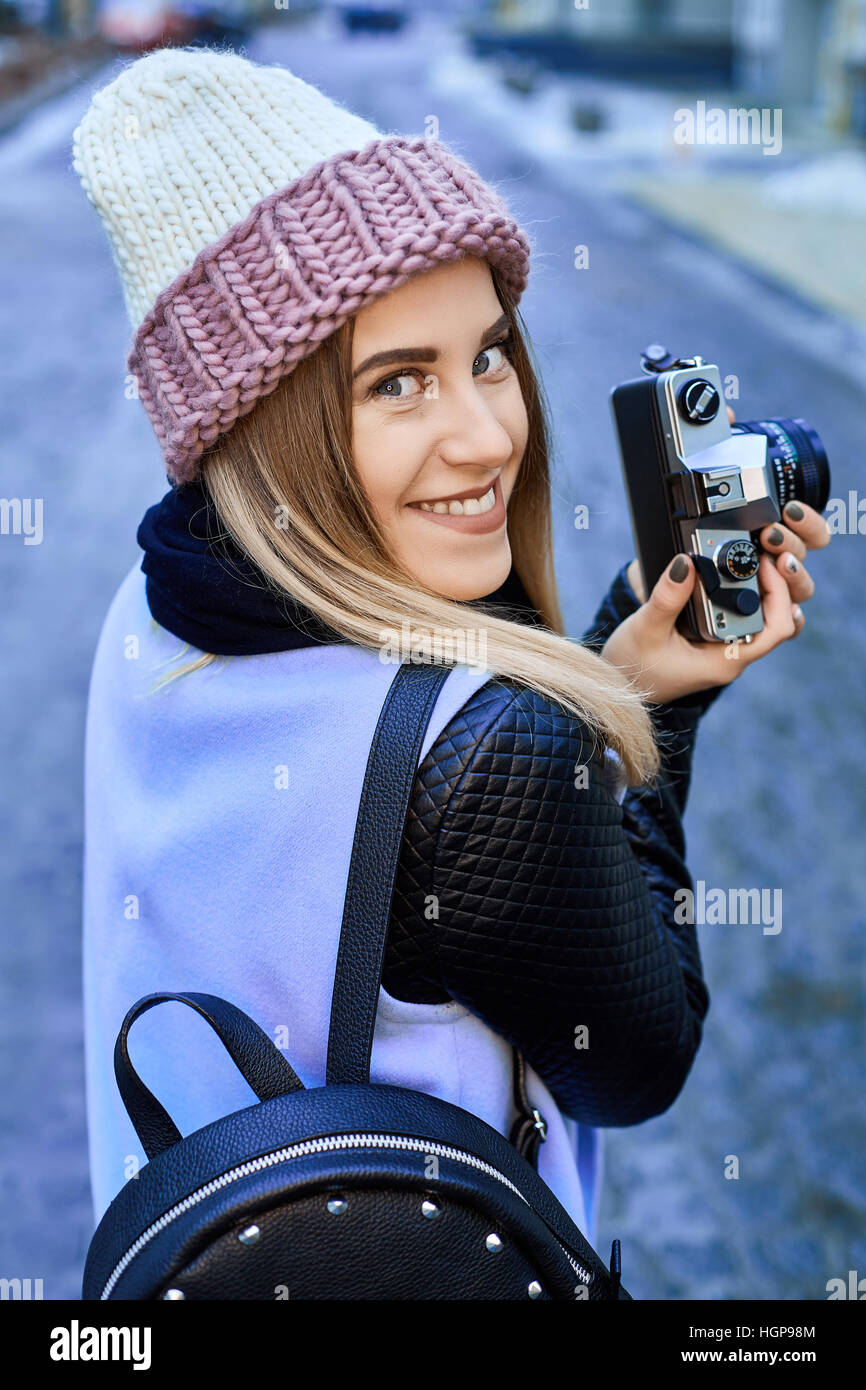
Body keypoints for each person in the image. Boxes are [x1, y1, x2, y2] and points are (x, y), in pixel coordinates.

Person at [73, 46, 830, 1254]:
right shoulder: (488, 756)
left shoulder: (153, 610)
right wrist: (652, 730)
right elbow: (637, 1064)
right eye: (395, 383)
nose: (487, 436)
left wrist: (608, 684)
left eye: (485, 354)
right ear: (260, 426)